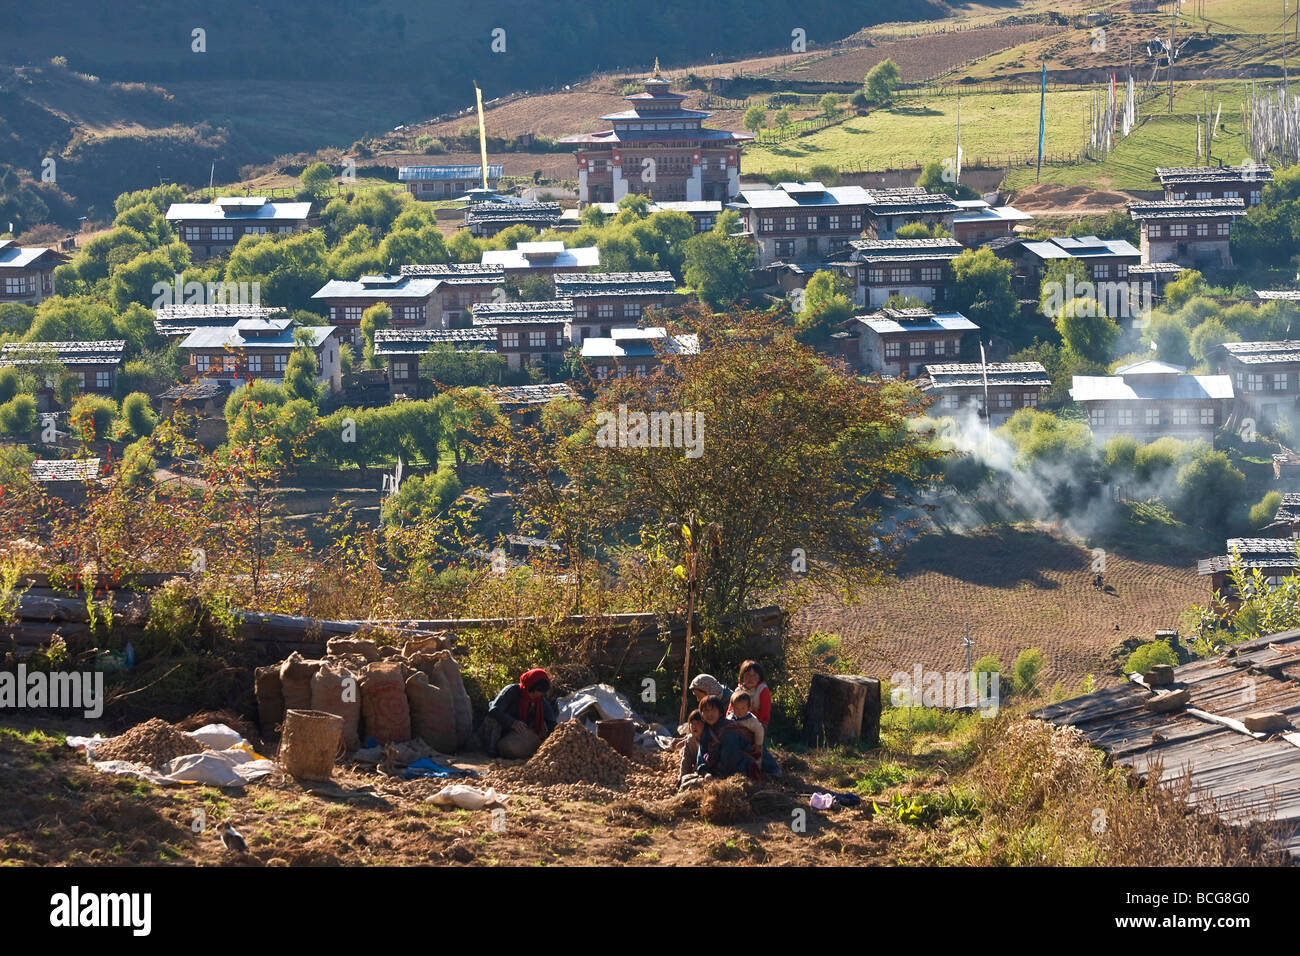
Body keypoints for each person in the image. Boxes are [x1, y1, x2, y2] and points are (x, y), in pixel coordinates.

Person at [481, 668, 556, 759]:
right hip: (503, 728)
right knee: (493, 719)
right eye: (534, 693)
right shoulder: (512, 691)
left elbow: (551, 722)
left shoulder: (540, 701)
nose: (536, 696)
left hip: (518, 733)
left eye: (539, 694)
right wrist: (512, 722)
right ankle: (491, 752)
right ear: (530, 687)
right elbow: (494, 710)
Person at [732, 660, 781, 777]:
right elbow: (731, 708)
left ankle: (774, 769)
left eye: (754, 675)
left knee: (759, 749)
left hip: (757, 724)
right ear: (742, 677)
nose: (751, 678)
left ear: (759, 677)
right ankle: (745, 769)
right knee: (741, 747)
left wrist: (763, 724)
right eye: (748, 675)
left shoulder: (762, 689)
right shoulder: (738, 690)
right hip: (740, 724)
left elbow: (765, 709)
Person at [696, 694, 757, 781]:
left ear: (720, 712)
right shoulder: (706, 731)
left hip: (738, 769)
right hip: (717, 769)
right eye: (705, 710)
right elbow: (702, 753)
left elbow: (731, 757)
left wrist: (719, 774)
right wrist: (705, 772)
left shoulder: (729, 728)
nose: (709, 714)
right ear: (701, 714)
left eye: (713, 710)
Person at [729, 691, 764, 762]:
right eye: (736, 708)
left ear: (748, 708)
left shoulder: (751, 720)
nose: (739, 711)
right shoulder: (730, 718)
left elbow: (759, 730)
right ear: (732, 708)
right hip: (735, 744)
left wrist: (758, 744)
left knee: (756, 755)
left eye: (743, 708)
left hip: (749, 744)